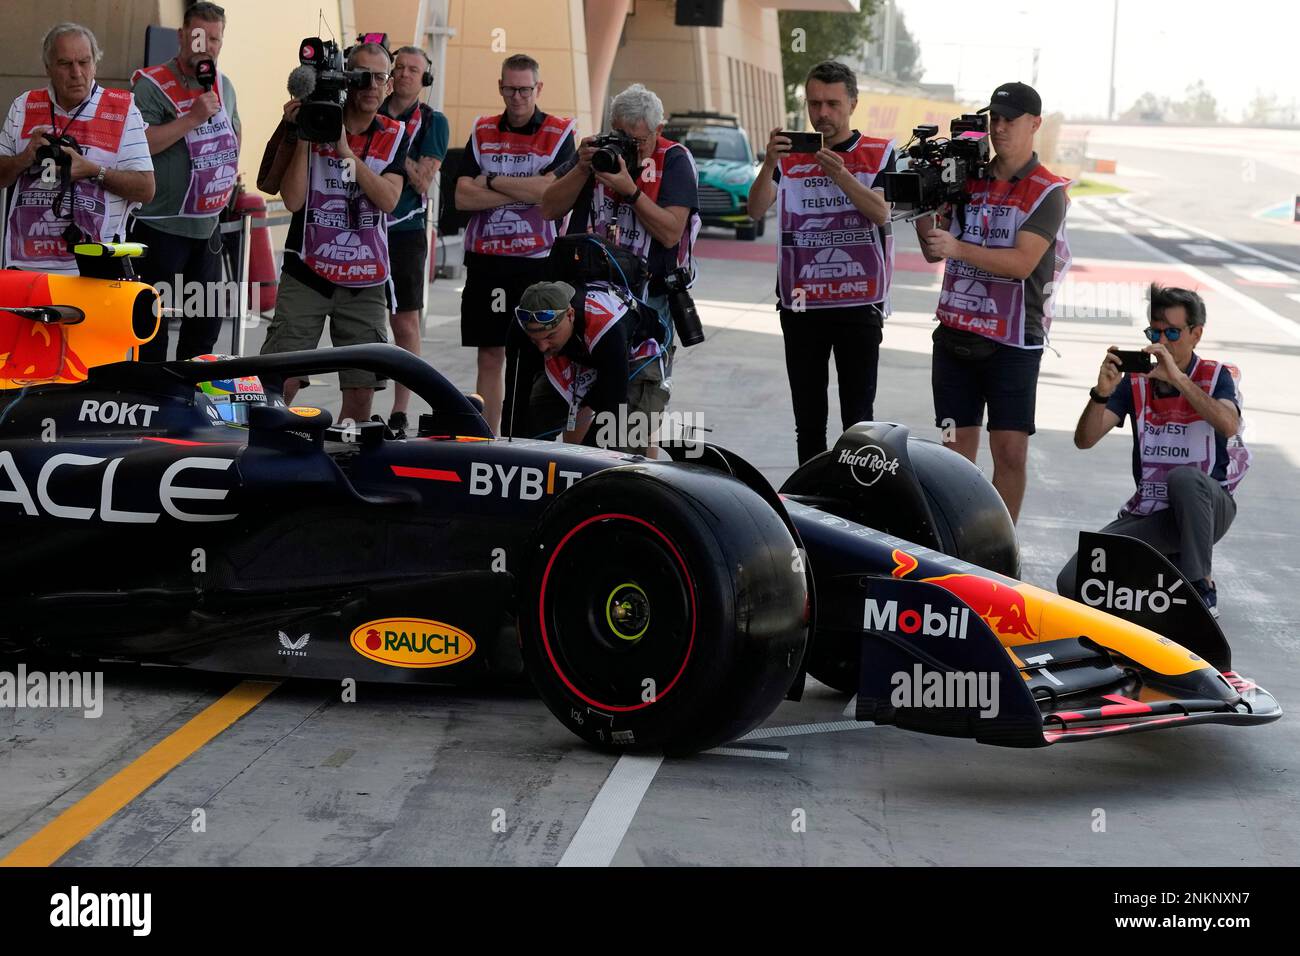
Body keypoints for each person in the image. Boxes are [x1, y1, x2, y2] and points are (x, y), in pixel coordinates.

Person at [916, 81, 1070, 523]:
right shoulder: (966, 176)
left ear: (1035, 124)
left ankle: (999, 552)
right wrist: (919, 204)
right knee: (952, 453)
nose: (999, 128)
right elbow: (933, 249)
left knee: (1010, 452)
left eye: (1010, 120)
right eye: (994, 119)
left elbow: (1022, 263)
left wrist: (957, 248)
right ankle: (960, 547)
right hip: (955, 332)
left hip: (1014, 338)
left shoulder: (1047, 190)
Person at [1057, 286, 1250, 617]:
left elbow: (1228, 425)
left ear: (1196, 334)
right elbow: (1085, 440)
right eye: (1155, 332)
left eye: (1172, 332)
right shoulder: (1136, 381)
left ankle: (1200, 586)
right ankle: (1161, 580)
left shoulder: (1214, 375)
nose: (1162, 341)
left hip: (1207, 507)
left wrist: (1179, 381)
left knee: (1185, 480)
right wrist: (1101, 393)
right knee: (1073, 581)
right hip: (1153, 512)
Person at [746, 60, 894, 465]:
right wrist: (769, 163)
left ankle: (858, 504)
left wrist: (843, 176)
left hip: (859, 302)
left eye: (832, 104)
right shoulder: (792, 155)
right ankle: (811, 505)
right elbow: (756, 210)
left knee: (859, 420)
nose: (822, 113)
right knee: (808, 420)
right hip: (801, 303)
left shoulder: (879, 152)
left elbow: (881, 213)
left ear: (853, 104)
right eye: (814, 104)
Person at [259, 42, 407, 425]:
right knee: (279, 378)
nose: (370, 86)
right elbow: (292, 200)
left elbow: (389, 199)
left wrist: (346, 153)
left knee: (360, 390)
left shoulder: (394, 133)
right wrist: (306, 132)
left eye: (379, 78)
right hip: (308, 268)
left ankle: (347, 462)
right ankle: (271, 452)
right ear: (344, 78)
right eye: (361, 76)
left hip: (365, 276)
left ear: (390, 86)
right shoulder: (316, 121)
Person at [455, 53, 576, 435]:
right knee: (489, 355)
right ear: (500, 87)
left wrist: (489, 181)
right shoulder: (481, 130)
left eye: (525, 89)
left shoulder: (559, 132)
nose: (518, 96)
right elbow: (461, 196)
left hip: (537, 263)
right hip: (487, 260)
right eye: (510, 88)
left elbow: (548, 193)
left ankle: (527, 439)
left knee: (538, 355)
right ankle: (487, 440)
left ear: (537, 88)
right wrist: (524, 192)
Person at [130, 1, 240, 361]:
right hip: (159, 226)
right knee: (151, 329)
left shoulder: (223, 85)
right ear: (181, 37)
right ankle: (152, 401)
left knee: (205, 325)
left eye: (215, 39)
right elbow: (140, 143)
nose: (206, 47)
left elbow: (235, 135)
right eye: (198, 37)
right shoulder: (151, 84)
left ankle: (191, 403)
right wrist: (191, 118)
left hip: (206, 227)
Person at [0, 23, 154, 274]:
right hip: (27, 263)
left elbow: (146, 189)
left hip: (95, 264)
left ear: (96, 64)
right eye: (65, 64)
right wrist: (24, 159)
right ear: (47, 67)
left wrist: (93, 171)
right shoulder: (24, 105)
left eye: (84, 62)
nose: (76, 73)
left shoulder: (122, 109)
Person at [514, 280, 670, 454]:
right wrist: (511, 451)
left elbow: (612, 409)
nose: (542, 347)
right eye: (535, 339)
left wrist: (585, 462)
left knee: (621, 442)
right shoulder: (523, 326)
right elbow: (517, 394)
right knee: (531, 423)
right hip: (579, 351)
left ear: (570, 315)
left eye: (550, 335)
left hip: (635, 356)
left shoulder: (606, 327)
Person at [380, 45, 449, 438]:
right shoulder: (367, 106)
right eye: (399, 67)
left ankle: (400, 409)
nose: (404, 74)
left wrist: (395, 143)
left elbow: (423, 181)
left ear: (425, 78)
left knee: (404, 321)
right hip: (361, 226)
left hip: (405, 228)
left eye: (412, 69)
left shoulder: (432, 122)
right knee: (360, 322)